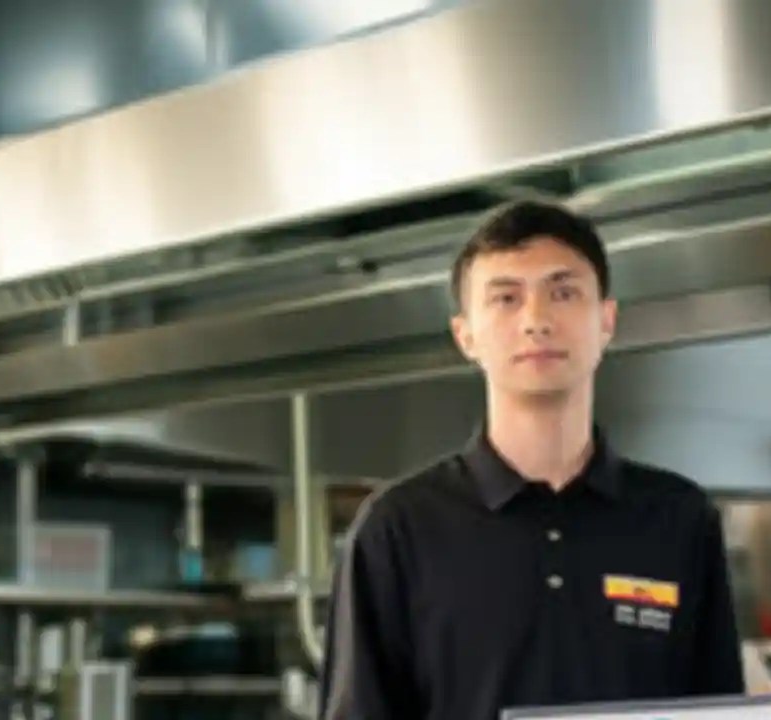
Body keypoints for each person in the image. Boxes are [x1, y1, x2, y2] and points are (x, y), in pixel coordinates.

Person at [318, 200, 745, 720]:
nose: (536, 320)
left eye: (563, 293)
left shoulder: (680, 518)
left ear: (606, 320)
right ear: (465, 335)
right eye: (505, 298)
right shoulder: (397, 529)